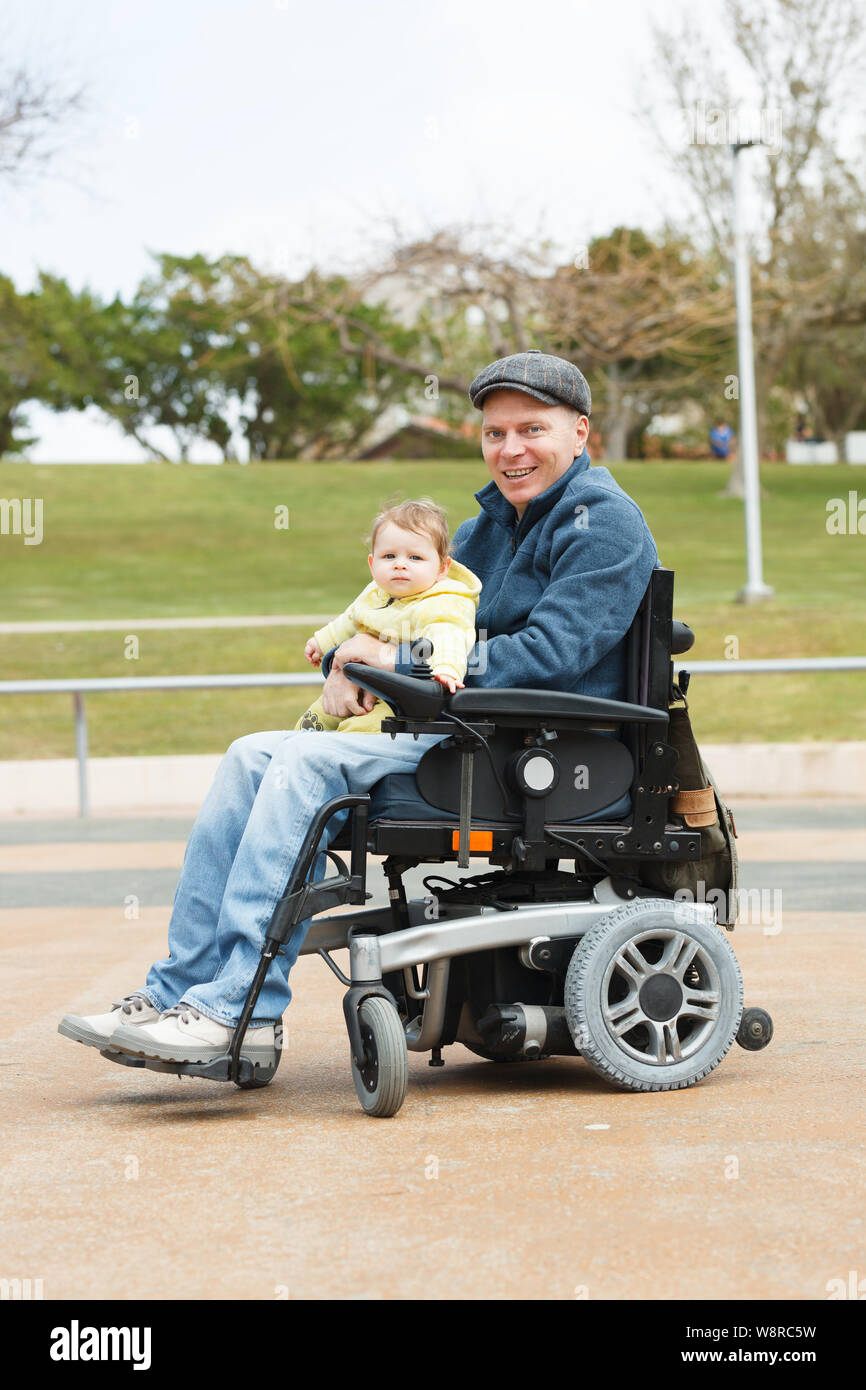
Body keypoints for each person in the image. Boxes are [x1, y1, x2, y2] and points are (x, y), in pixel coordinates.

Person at [58, 349, 659, 1073]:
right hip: (460, 737)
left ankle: (236, 1012)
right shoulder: (479, 535)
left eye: (531, 429)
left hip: (543, 757)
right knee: (253, 751)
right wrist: (356, 668)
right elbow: (415, 629)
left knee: (306, 762)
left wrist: (396, 670)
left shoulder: (606, 524)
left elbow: (550, 653)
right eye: (495, 434)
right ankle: (180, 991)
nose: (511, 449)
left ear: (580, 432)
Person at [295, 498, 481, 733]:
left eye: (415, 558)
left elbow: (449, 637)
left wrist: (444, 670)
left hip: (399, 699)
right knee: (312, 721)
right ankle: (298, 744)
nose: (400, 565)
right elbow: (351, 619)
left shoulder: (444, 603)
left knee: (362, 729)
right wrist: (322, 642)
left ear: (442, 568)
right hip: (358, 682)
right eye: (389, 556)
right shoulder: (376, 593)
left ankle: (336, 754)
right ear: (373, 564)